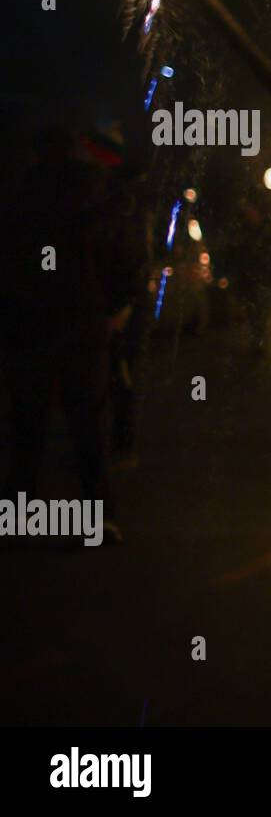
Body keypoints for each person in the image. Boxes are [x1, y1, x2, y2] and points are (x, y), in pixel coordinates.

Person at [1, 125, 137, 544]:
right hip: (85, 326)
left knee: (26, 430)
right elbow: (124, 260)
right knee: (87, 427)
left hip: (31, 326)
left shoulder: (20, 197)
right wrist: (114, 309)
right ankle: (98, 518)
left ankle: (18, 518)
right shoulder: (101, 198)